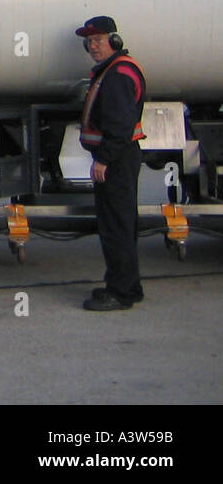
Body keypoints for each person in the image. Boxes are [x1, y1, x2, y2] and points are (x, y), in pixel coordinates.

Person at [74, 16, 146, 311]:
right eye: (89, 42)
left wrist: (103, 160)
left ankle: (121, 293)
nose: (93, 46)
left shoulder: (116, 75)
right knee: (122, 223)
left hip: (116, 159)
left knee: (116, 226)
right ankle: (128, 286)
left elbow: (120, 126)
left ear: (114, 41)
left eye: (99, 40)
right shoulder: (112, 71)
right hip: (120, 157)